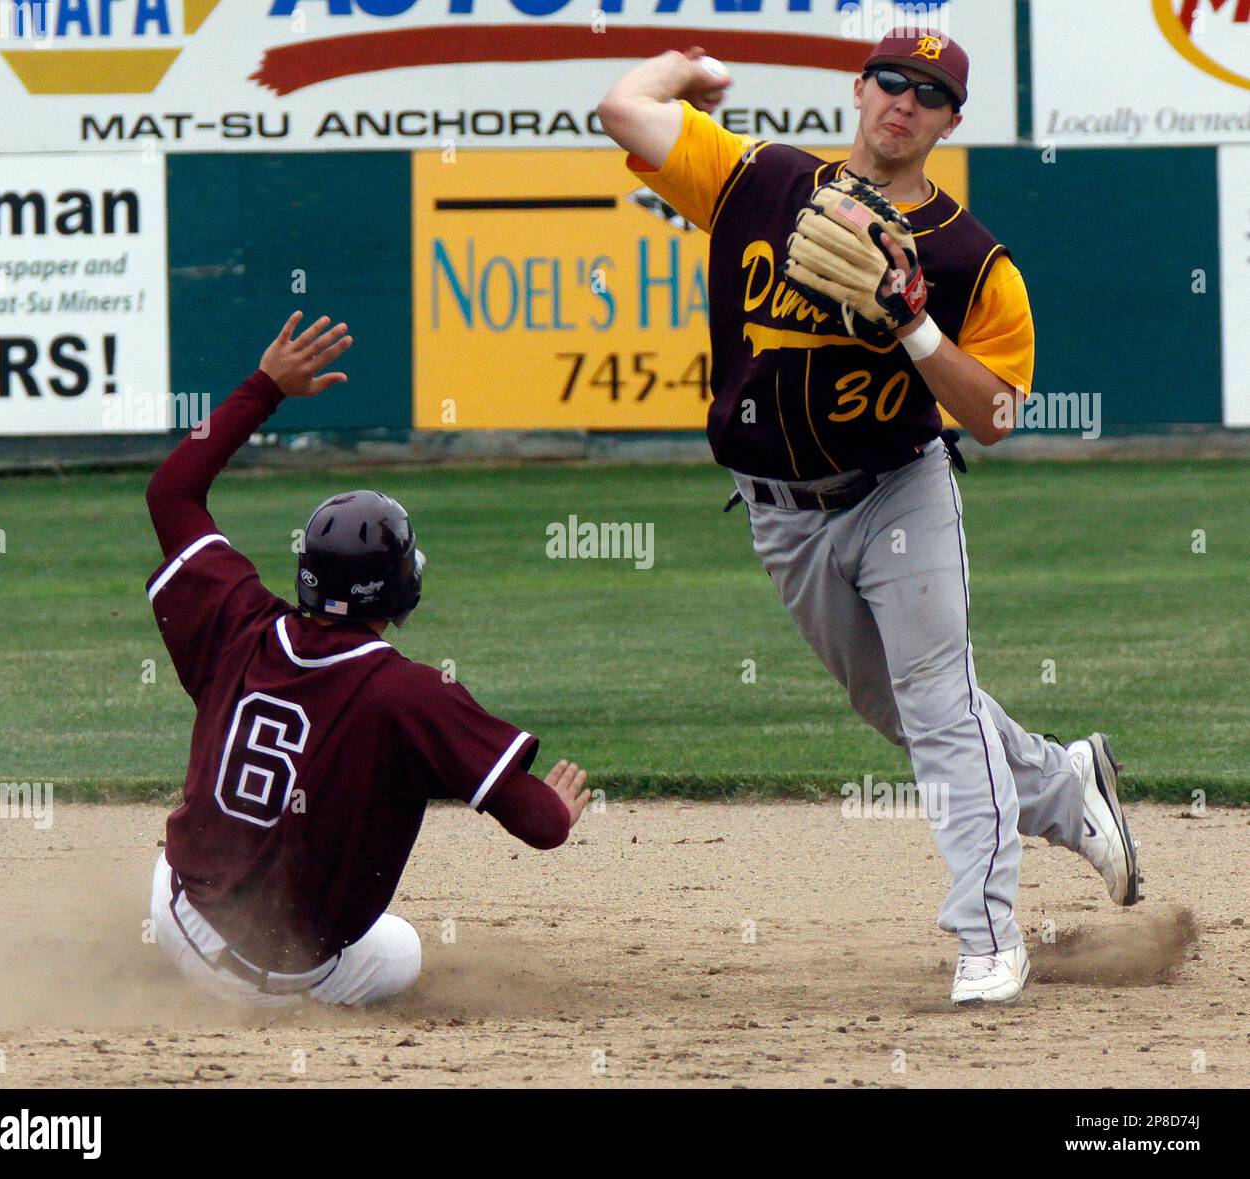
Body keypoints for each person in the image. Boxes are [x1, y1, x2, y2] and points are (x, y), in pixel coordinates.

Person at [598, 29, 1139, 1005]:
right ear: (858, 87)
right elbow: (624, 110)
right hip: (778, 514)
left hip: (898, 491)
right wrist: (689, 71)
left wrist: (915, 325)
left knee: (936, 705)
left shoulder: (973, 260)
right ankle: (1064, 787)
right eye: (890, 80)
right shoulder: (757, 180)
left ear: (949, 121)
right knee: (891, 708)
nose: (903, 101)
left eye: (928, 93)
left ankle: (985, 938)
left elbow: (999, 416)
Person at [145, 311, 590, 1007]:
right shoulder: (410, 695)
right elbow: (543, 826)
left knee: (182, 874)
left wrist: (266, 386)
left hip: (176, 921)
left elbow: (170, 491)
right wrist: (558, 806)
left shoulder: (237, 619)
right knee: (400, 946)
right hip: (280, 984)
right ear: (402, 587)